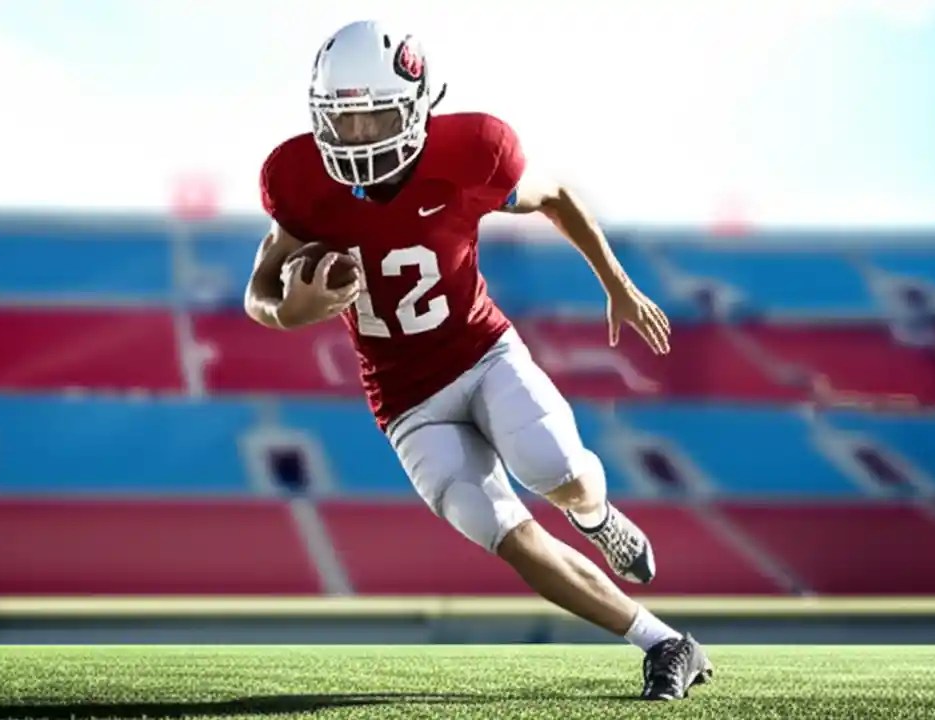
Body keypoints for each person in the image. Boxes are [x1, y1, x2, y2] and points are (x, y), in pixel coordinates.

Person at [244, 19, 712, 700]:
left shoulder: (474, 150)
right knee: (505, 532)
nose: (358, 140)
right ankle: (666, 642)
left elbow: (555, 197)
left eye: (375, 118)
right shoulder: (299, 179)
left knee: (555, 469)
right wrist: (288, 312)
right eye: (342, 123)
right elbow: (259, 287)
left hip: (484, 354)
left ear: (415, 103)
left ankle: (596, 518)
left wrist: (618, 284)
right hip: (405, 403)